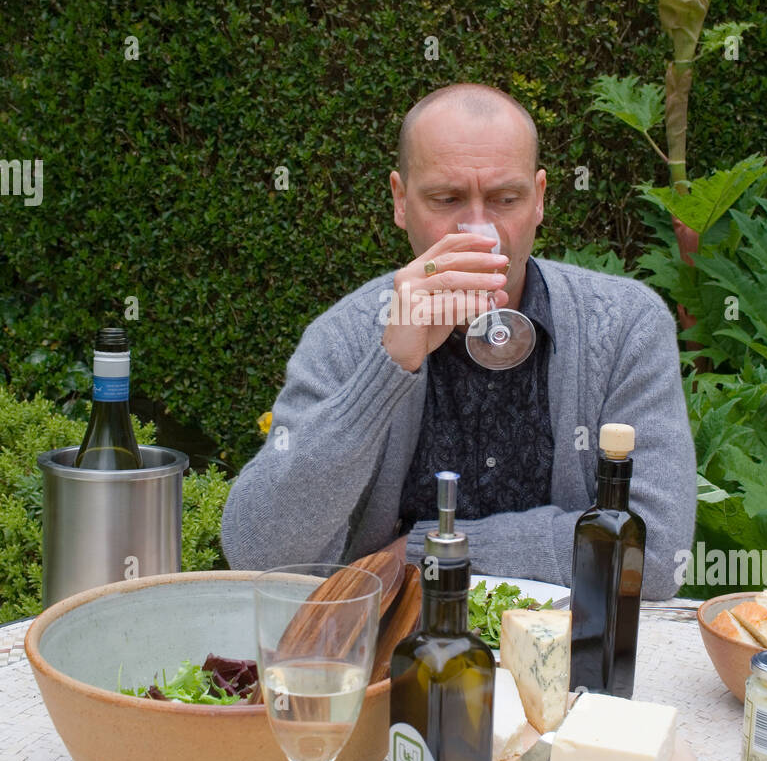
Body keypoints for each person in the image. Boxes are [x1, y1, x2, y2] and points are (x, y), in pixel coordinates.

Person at [220, 83, 696, 598]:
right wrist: (389, 367)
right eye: (446, 199)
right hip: (394, 656)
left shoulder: (624, 325)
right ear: (401, 202)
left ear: (539, 200)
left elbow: (659, 554)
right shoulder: (345, 336)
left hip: (565, 654)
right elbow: (258, 551)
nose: (478, 231)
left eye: (505, 199)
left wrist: (424, 550)